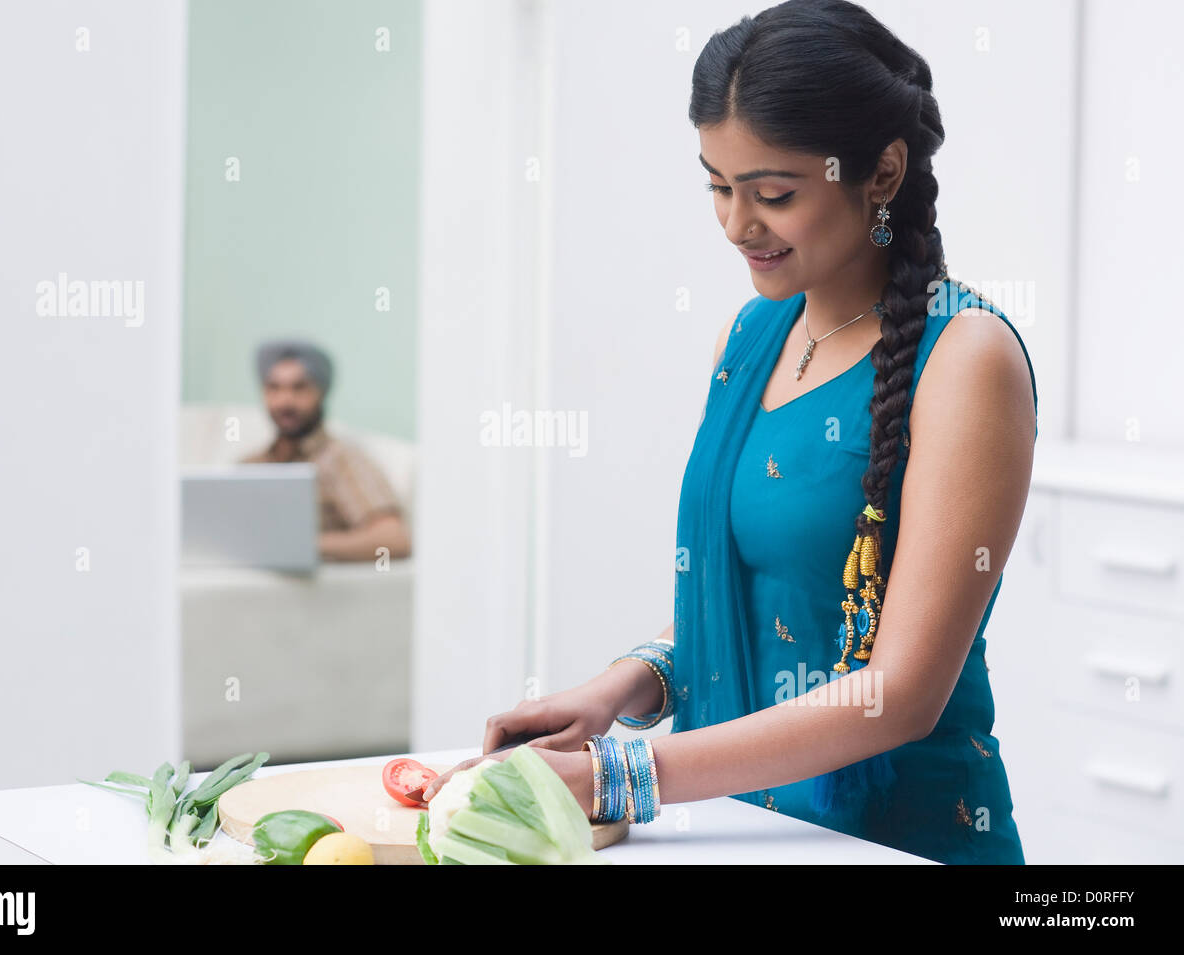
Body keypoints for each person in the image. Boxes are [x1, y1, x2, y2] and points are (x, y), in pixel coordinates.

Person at [423, 0, 1037, 865]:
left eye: (774, 193)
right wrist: (628, 684)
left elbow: (899, 690)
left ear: (884, 173)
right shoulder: (750, 338)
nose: (736, 225)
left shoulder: (966, 357)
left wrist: (621, 772)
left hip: (901, 840)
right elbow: (786, 609)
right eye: (717, 184)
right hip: (743, 832)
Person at [241, 340, 412, 562]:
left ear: (320, 393)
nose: (285, 400)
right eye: (274, 388)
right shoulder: (248, 465)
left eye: (299, 387)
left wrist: (301, 544)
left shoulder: (342, 460)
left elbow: (393, 540)